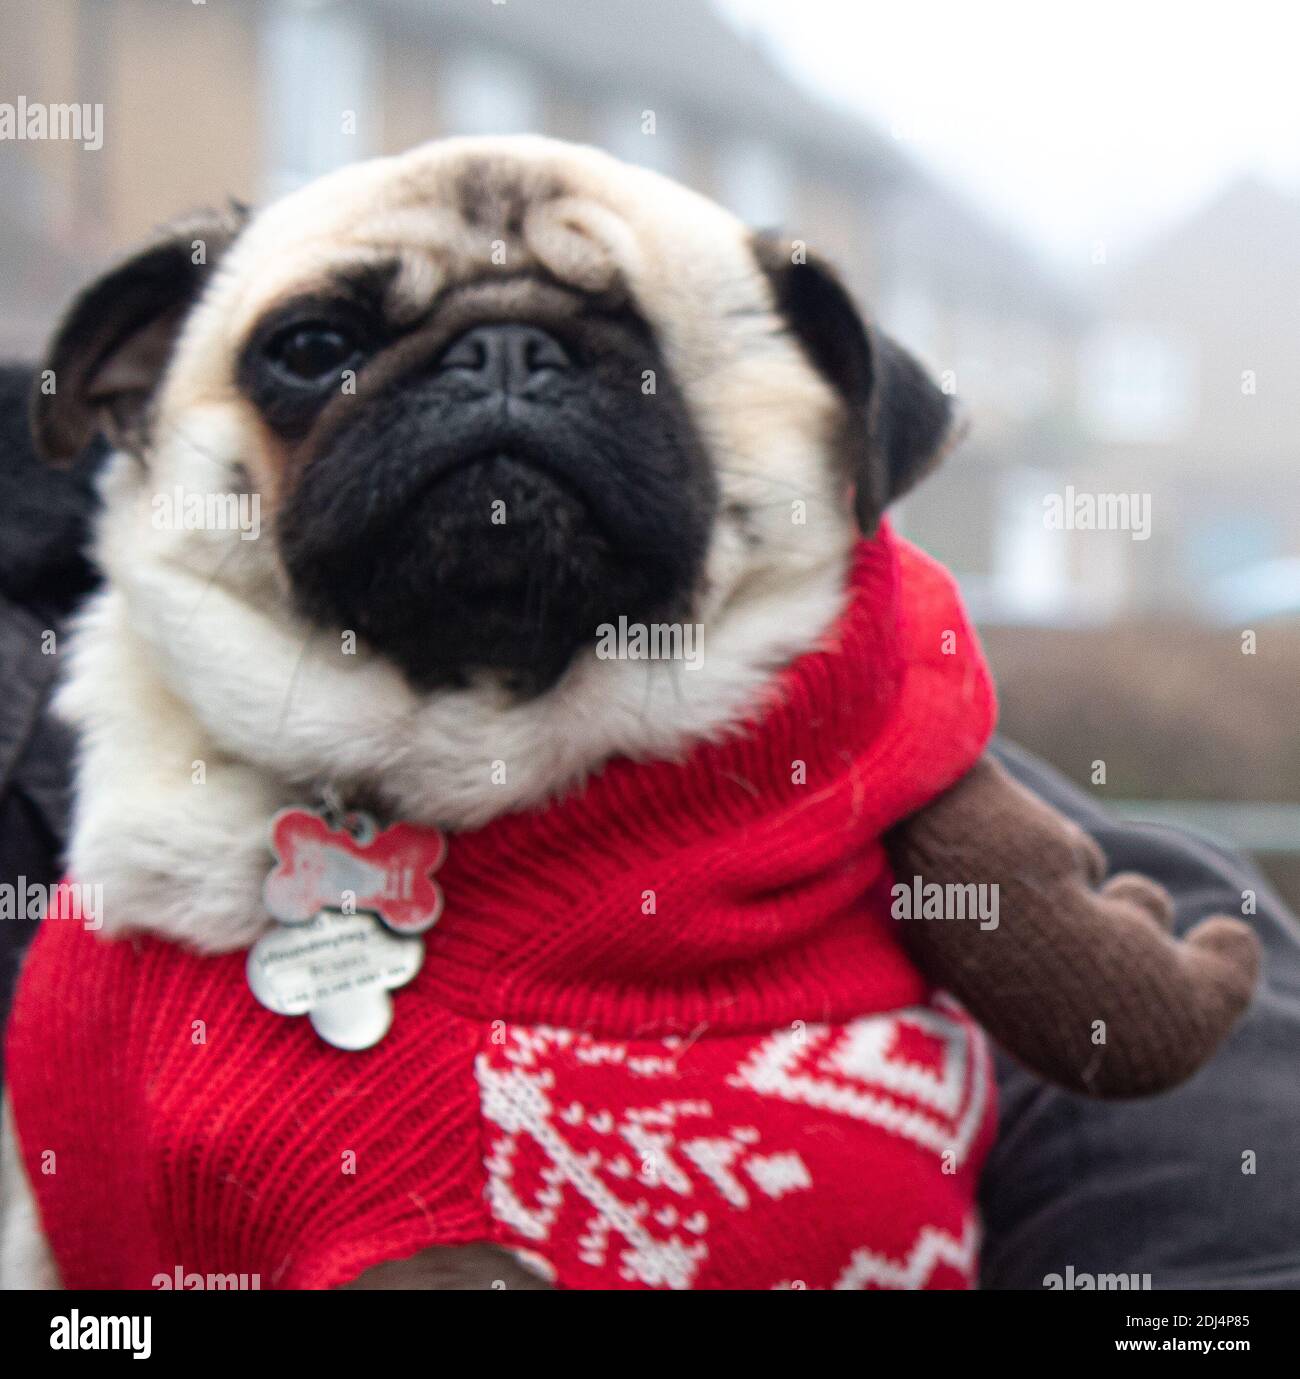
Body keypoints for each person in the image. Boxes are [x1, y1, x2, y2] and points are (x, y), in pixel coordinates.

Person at [1, 373, 1296, 1288]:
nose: (493, 391)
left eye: (626, 371)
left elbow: (1188, 1044)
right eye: (318, 361)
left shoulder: (813, 685)